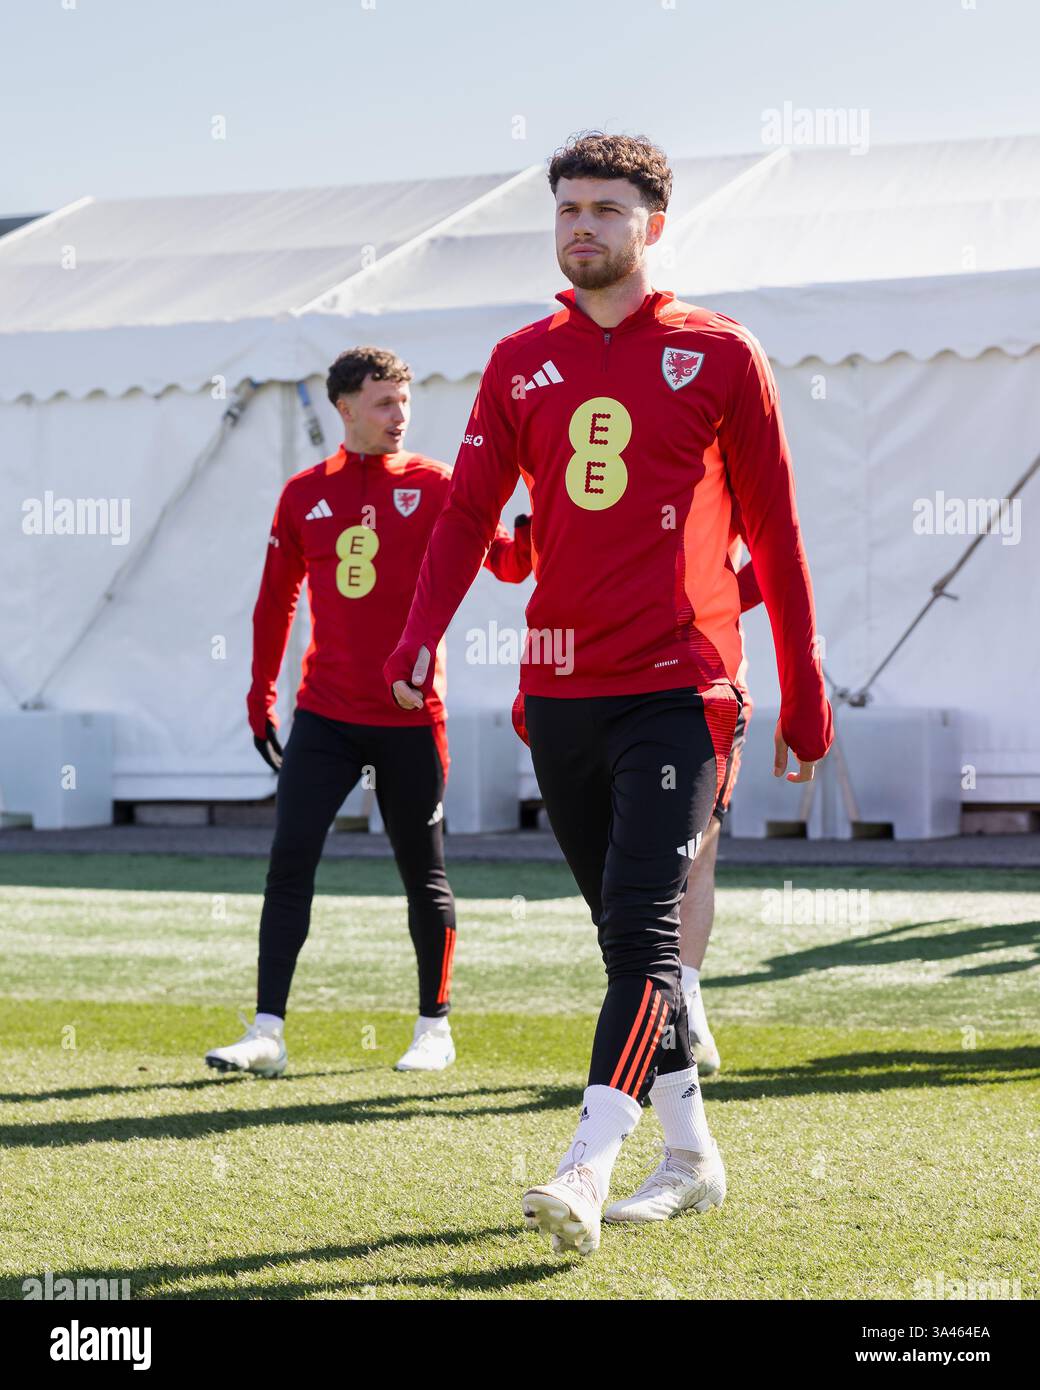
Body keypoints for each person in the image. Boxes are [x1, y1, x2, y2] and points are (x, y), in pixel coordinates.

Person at [385, 132, 832, 1254]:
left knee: (643, 938)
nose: (580, 225)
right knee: (618, 941)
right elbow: (466, 515)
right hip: (559, 692)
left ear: (651, 225)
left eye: (604, 208)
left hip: (680, 688)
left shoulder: (721, 353)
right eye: (567, 208)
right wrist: (415, 634)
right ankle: (691, 1157)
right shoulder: (516, 359)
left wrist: (805, 687)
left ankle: (583, 1166)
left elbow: (775, 533)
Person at [205, 346, 531, 1079]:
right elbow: (275, 600)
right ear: (344, 407)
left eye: (404, 403)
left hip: (412, 712)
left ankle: (434, 1027)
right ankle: (267, 1033)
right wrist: (260, 695)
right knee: (289, 863)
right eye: (383, 404)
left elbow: (509, 563)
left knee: (425, 874)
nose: (399, 417)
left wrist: (540, 518)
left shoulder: (438, 481)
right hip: (325, 714)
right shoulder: (301, 495)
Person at [679, 528, 762, 1077]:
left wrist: (707, 600)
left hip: (705, 681)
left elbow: (781, 554)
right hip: (597, 679)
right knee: (619, 859)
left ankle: (684, 1001)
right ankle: (648, 999)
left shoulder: (727, 444)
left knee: (694, 854)